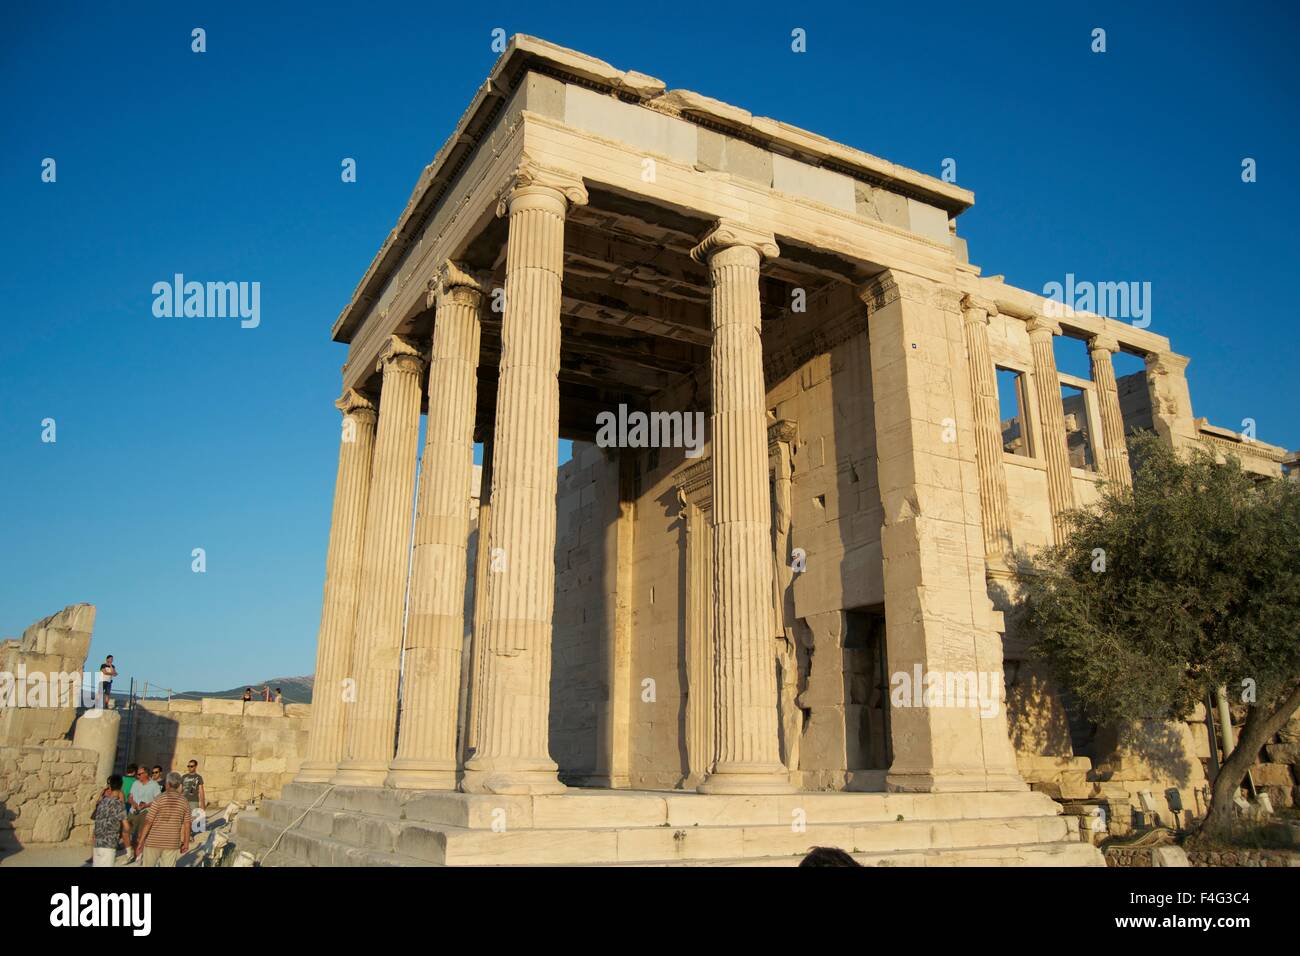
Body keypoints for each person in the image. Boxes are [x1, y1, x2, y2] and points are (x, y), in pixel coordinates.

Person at [135, 771, 190, 867]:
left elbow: (148, 822)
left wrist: (141, 841)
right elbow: (187, 824)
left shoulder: (159, 798)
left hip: (154, 841)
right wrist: (186, 842)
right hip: (172, 842)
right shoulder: (184, 802)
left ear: (167, 784)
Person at [91, 774, 130, 867]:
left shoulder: (102, 802)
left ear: (110, 786)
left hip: (98, 842)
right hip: (109, 843)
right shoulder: (119, 804)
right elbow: (126, 827)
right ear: (121, 786)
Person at [126, 767, 160, 862]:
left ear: (146, 774)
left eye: (140, 774)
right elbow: (130, 797)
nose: (138, 776)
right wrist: (133, 803)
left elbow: (158, 800)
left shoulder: (154, 785)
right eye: (137, 774)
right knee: (128, 832)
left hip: (145, 812)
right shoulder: (135, 783)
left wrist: (146, 805)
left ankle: (139, 856)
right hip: (133, 811)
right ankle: (130, 852)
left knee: (141, 835)